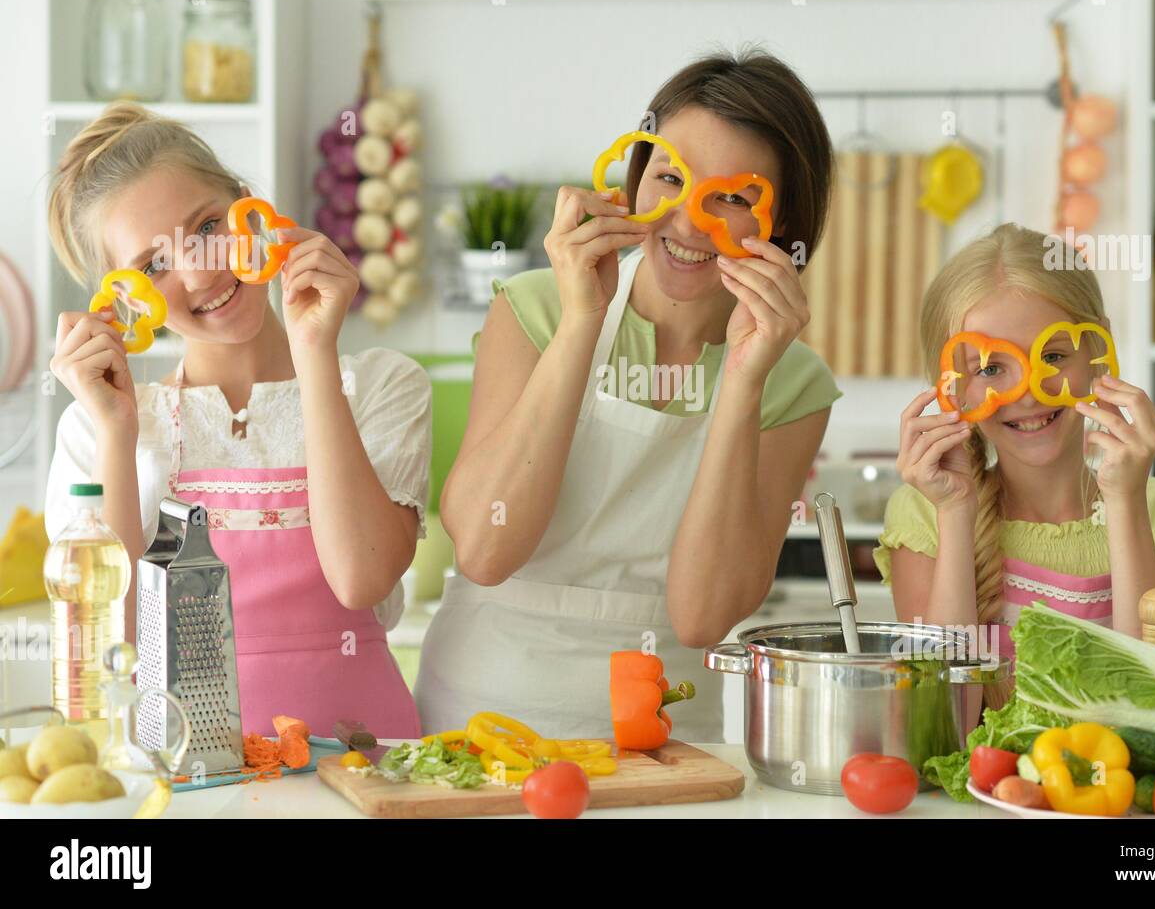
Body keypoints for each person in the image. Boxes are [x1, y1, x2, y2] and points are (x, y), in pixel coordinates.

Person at [419, 49, 842, 741]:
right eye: (671, 177)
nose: (686, 221)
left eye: (732, 198)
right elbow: (486, 550)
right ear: (635, 176)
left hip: (665, 738)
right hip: (480, 719)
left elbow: (703, 616)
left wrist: (742, 377)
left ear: (784, 222)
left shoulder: (792, 384)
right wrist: (581, 322)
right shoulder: (536, 310)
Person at [44, 103, 429, 737]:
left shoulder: (381, 385)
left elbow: (361, 578)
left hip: (368, 770)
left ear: (252, 211)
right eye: (152, 266)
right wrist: (118, 436)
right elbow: (115, 652)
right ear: (122, 301)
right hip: (194, 783)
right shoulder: (95, 429)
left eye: (207, 227)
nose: (200, 270)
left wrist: (314, 352)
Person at [875, 223, 1155, 709]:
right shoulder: (925, 514)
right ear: (952, 387)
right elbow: (943, 721)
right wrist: (956, 512)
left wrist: (1124, 499)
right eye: (990, 369)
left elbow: (1154, 704)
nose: (1029, 392)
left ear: (1097, 351)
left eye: (1052, 356)